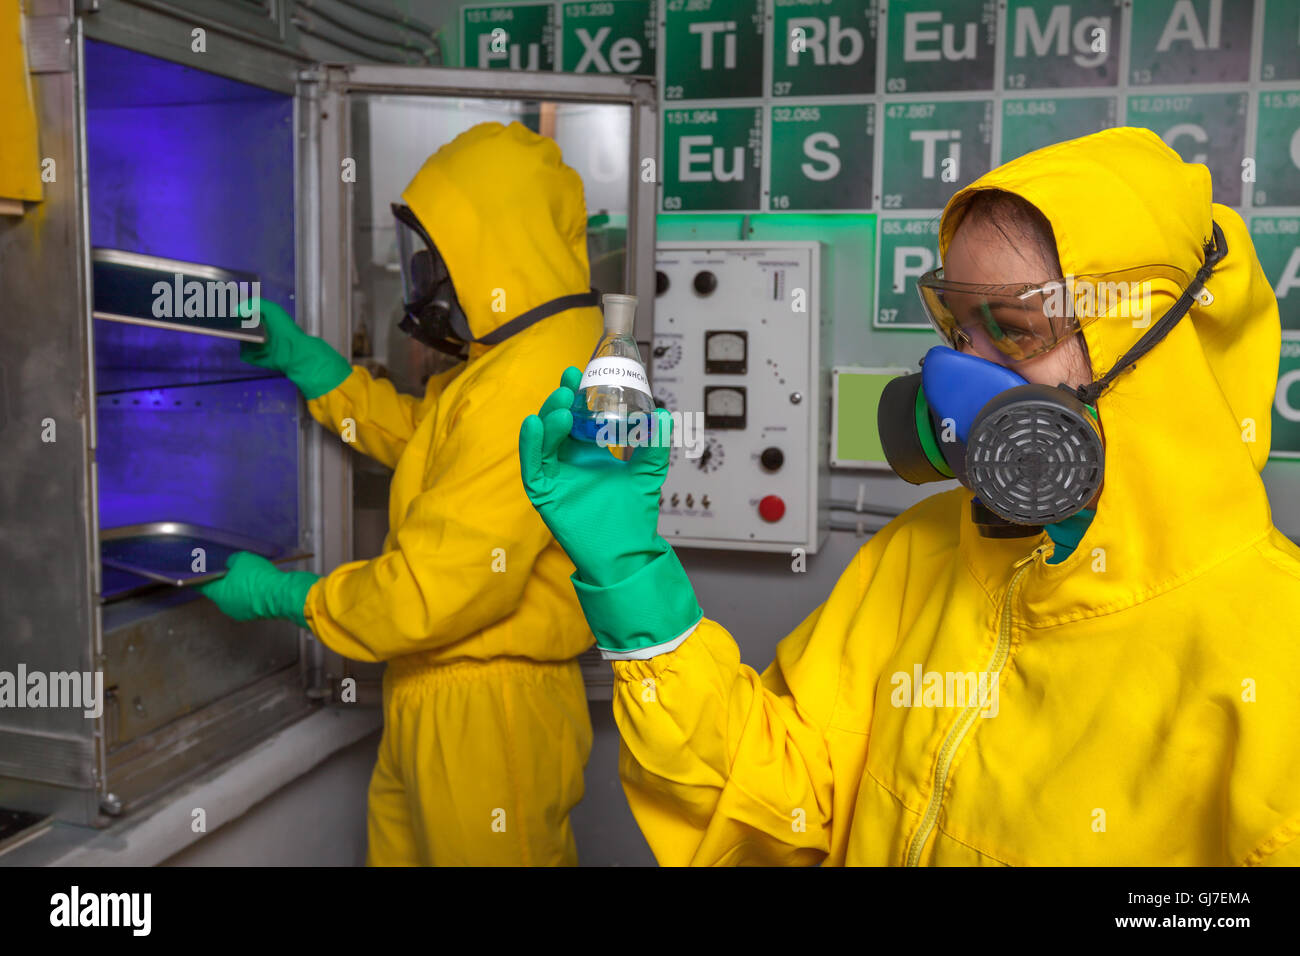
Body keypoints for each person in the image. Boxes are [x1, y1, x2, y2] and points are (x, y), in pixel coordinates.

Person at [518, 126, 1300, 865]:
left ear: (1151, 345)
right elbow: (786, 798)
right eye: (961, 329)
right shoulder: (923, 548)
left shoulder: (1274, 648)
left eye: (1016, 328)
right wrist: (633, 582)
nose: (961, 374)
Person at [202, 121, 601, 866]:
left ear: (492, 250)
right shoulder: (518, 357)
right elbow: (434, 446)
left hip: (488, 708)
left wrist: (293, 598)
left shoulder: (534, 380)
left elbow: (433, 590)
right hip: (445, 692)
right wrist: (320, 373)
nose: (426, 286)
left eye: (439, 262)